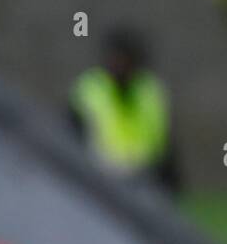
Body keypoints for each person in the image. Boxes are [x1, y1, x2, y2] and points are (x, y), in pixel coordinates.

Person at [69, 27, 181, 192]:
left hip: (144, 179)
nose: (120, 66)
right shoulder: (90, 89)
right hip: (100, 178)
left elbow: (163, 143)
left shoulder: (149, 91)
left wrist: (170, 181)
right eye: (116, 59)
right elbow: (70, 135)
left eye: (124, 60)